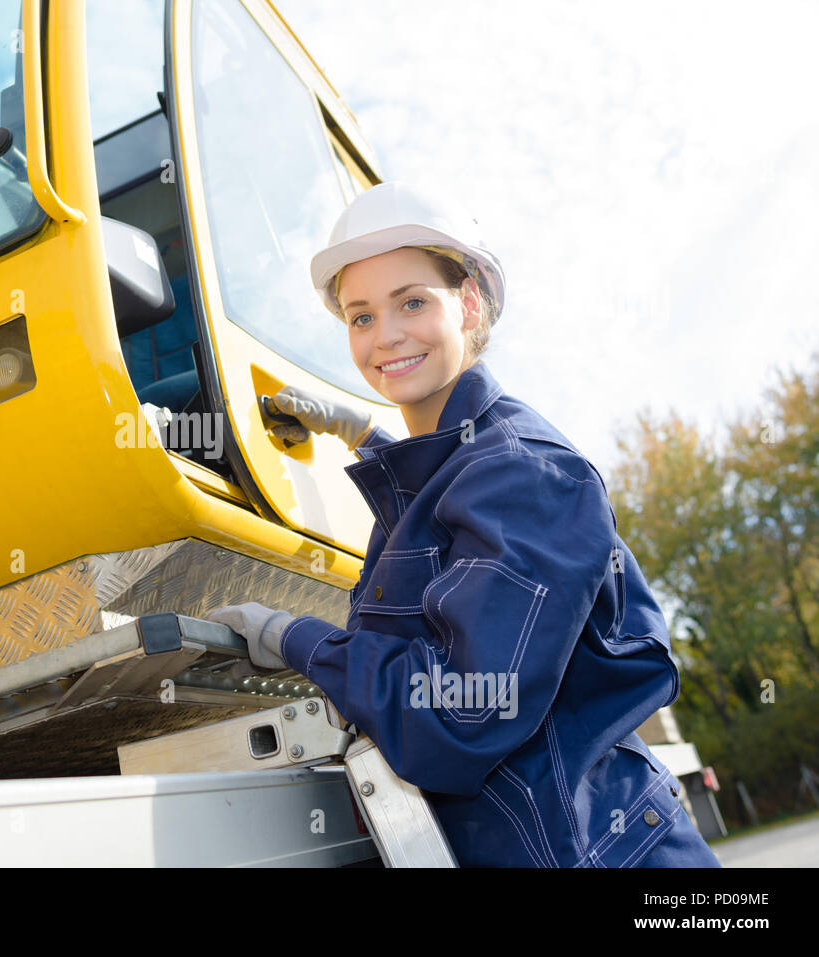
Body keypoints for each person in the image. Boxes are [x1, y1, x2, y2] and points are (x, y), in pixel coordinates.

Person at [204, 181, 720, 868]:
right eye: (360, 316)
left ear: (469, 301)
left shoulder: (527, 474)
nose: (384, 335)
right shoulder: (470, 463)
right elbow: (440, 533)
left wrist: (294, 637)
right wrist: (365, 435)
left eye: (412, 302)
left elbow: (459, 712)